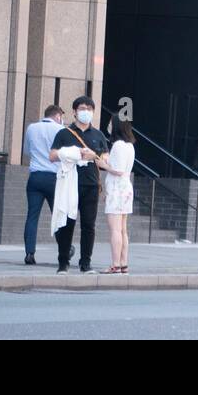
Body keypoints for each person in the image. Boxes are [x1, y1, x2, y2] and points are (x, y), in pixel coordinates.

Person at [49, 96, 110, 274]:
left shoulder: (98, 135)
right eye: (82, 108)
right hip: (70, 185)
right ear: (74, 112)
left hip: (91, 185)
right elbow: (52, 156)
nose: (86, 112)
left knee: (88, 225)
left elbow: (104, 161)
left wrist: (95, 156)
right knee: (67, 224)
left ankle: (85, 263)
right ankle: (63, 263)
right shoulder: (64, 133)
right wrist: (73, 154)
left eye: (89, 109)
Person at [22, 104, 65, 264]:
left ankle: (29, 253)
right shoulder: (60, 130)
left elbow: (27, 151)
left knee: (32, 216)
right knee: (58, 216)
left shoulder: (31, 128)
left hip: (35, 176)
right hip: (54, 178)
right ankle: (64, 248)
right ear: (58, 116)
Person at [102, 118, 136, 274]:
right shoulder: (129, 145)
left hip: (117, 188)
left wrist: (100, 162)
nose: (109, 125)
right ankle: (123, 263)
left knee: (115, 230)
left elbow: (117, 169)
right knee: (122, 229)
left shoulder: (117, 145)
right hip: (126, 188)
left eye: (110, 123)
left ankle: (115, 264)